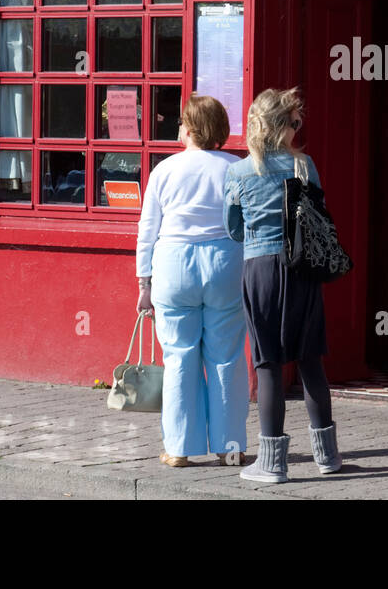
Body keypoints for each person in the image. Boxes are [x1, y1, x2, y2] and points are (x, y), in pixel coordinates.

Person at [223, 87, 340, 483]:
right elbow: (319, 217)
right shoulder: (304, 165)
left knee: (268, 363)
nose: (298, 126)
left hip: (260, 269)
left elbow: (233, 228)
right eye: (294, 121)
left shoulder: (238, 171)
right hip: (302, 267)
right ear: (282, 125)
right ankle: (328, 457)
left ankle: (272, 463)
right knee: (310, 362)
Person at [136, 95, 247, 468]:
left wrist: (143, 283)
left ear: (190, 128)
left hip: (173, 263)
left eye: (182, 122)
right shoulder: (238, 167)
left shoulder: (164, 170)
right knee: (226, 356)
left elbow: (147, 230)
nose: (178, 127)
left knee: (179, 356)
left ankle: (179, 448)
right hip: (224, 260)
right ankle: (230, 447)